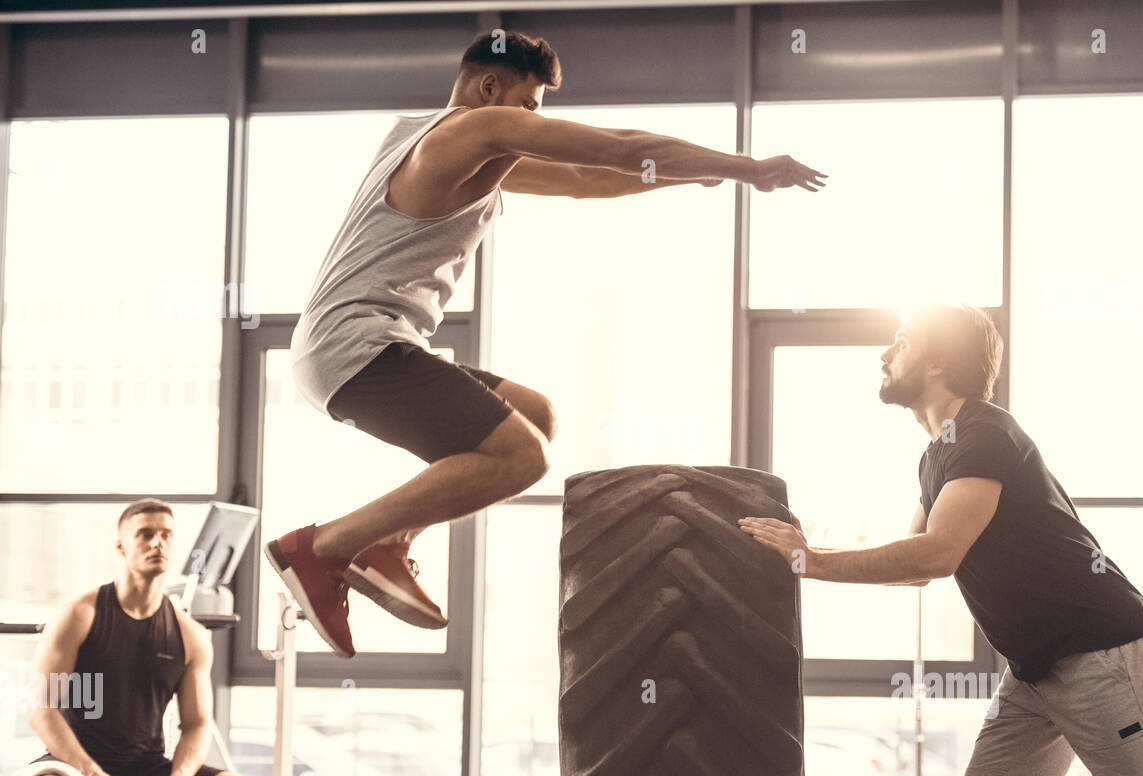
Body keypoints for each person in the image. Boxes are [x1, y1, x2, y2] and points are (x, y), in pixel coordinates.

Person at [264, 29, 825, 657]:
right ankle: (323, 548)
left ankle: (390, 542)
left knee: (536, 416)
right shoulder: (464, 133)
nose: (533, 120)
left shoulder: (439, 140)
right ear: (489, 88)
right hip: (353, 346)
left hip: (359, 342)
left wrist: (682, 177)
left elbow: (587, 178)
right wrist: (745, 167)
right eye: (529, 106)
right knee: (522, 458)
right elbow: (623, 148)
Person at [739, 304, 1143, 776]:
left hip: (1100, 654)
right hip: (1036, 669)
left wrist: (811, 563)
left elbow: (940, 553)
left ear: (940, 361)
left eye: (901, 341)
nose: (884, 354)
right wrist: (813, 551)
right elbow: (917, 565)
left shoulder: (986, 433)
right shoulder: (936, 457)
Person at [19, 499, 275, 776]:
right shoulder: (79, 615)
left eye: (166, 535)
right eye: (146, 534)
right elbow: (41, 709)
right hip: (77, 768)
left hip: (147, 770)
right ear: (121, 546)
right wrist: (93, 774)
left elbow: (198, 724)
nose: (158, 543)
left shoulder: (191, 635)